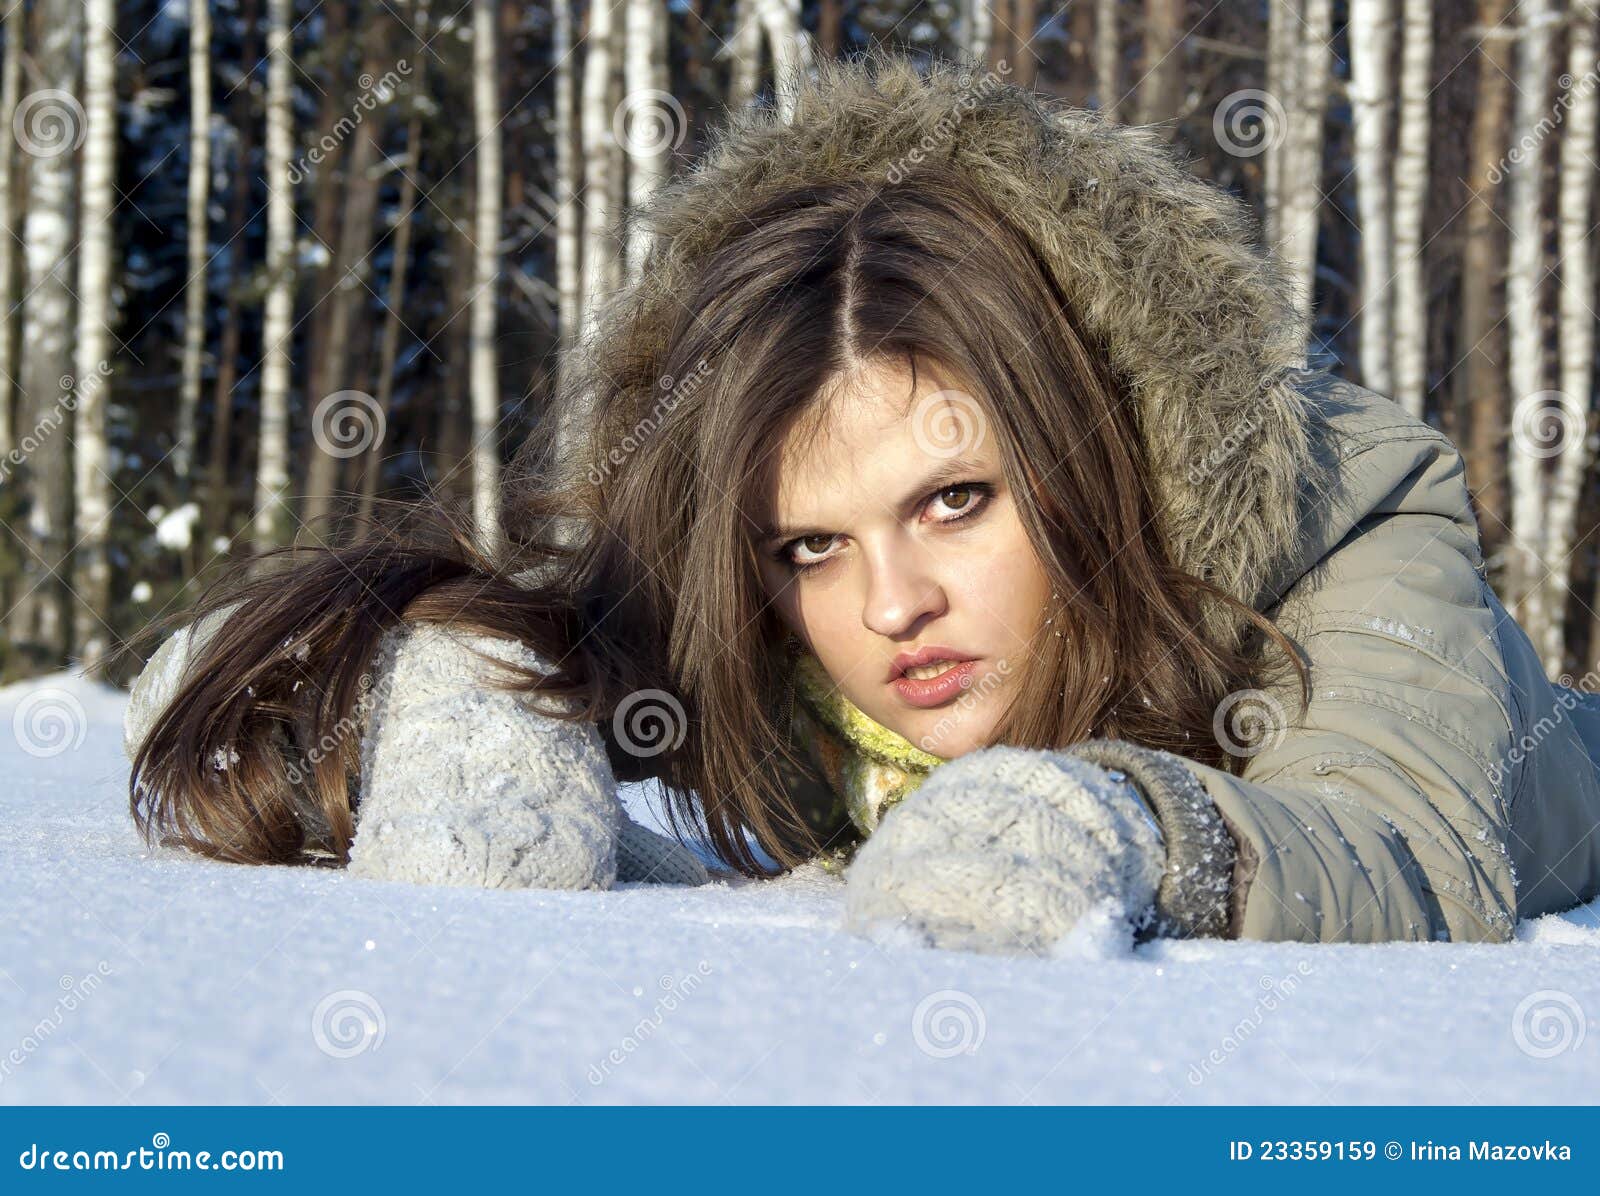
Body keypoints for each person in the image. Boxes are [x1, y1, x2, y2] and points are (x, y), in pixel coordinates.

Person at [127, 50, 1600, 953]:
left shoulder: (1345, 524)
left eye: (957, 501)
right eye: (814, 545)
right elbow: (377, 641)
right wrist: (427, 703)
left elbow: (1411, 847)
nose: (891, 607)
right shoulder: (779, 597)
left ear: (1086, 456)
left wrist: (1126, 827)